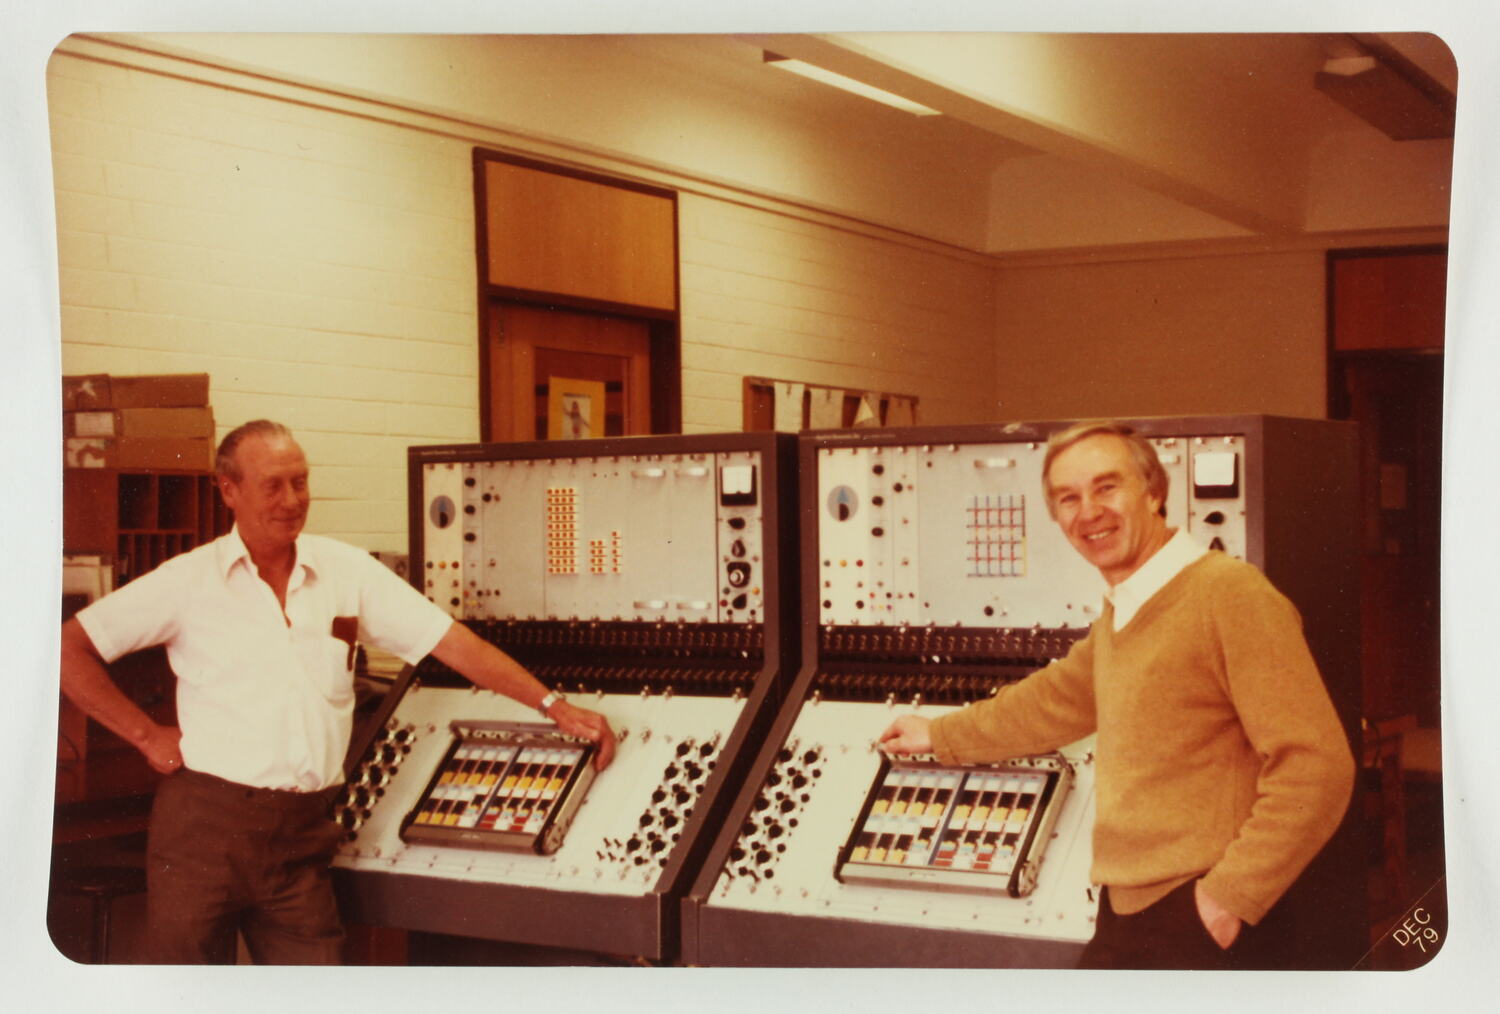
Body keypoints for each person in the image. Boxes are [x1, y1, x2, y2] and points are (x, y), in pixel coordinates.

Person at [59, 420, 617, 964]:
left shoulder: (345, 571)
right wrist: (145, 735)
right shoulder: (188, 580)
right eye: (272, 485)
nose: (290, 499)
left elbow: (451, 644)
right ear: (228, 490)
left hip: (300, 840)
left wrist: (553, 706)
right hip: (206, 833)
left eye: (299, 481)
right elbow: (68, 650)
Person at [878, 421, 1354, 970]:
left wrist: (1227, 899)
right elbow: (1053, 700)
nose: (1089, 512)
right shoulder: (1124, 609)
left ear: (1153, 492)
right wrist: (938, 734)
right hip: (1130, 906)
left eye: (1107, 487)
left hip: (1199, 913)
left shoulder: (1231, 596)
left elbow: (1316, 765)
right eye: (1068, 498)